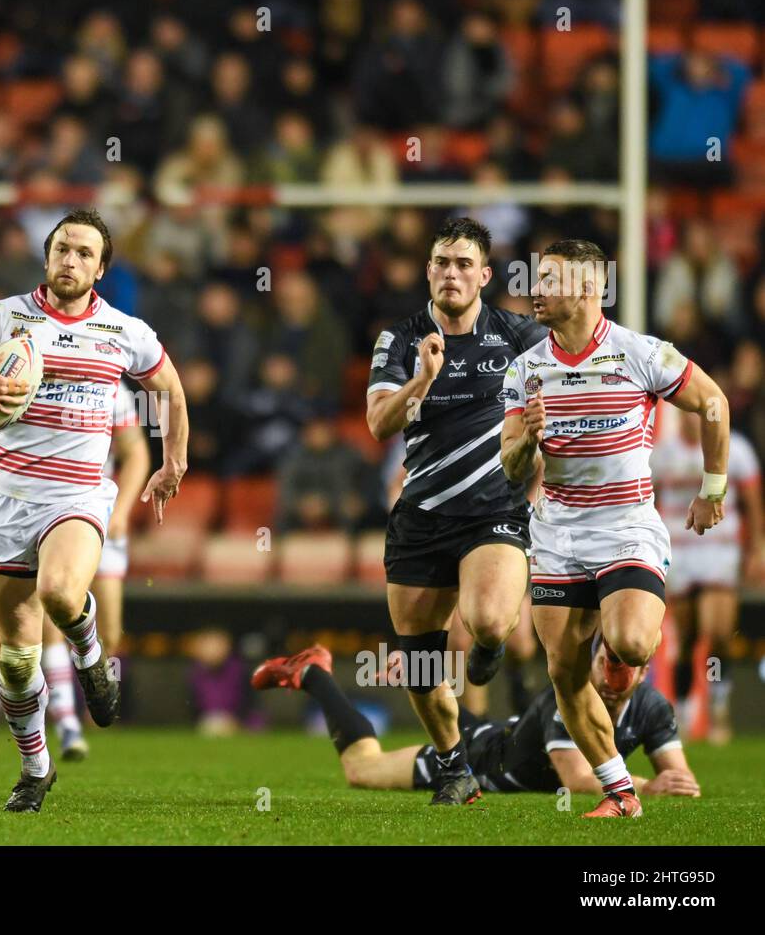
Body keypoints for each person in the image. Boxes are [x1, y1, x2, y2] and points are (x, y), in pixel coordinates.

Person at [0, 208, 188, 812]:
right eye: (62, 249)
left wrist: (172, 460)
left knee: (58, 592)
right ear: (46, 258)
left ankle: (89, 653)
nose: (70, 260)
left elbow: (171, 391)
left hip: (77, 494)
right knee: (18, 659)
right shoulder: (3, 318)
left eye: (84, 252)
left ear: (101, 267)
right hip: (5, 499)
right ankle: (36, 767)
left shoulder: (124, 330)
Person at [501, 239, 732, 818]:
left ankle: (625, 613)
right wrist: (527, 436)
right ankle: (619, 793)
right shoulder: (525, 369)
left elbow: (713, 404)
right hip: (556, 531)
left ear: (586, 287)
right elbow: (511, 468)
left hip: (626, 523)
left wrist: (713, 488)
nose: (535, 287)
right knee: (565, 672)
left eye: (548, 278)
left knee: (629, 641)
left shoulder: (640, 353)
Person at [365, 216, 547, 805]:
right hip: (420, 516)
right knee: (421, 665)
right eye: (442, 262)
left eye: (464, 264)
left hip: (493, 511)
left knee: (490, 620)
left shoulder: (518, 335)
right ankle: (451, 765)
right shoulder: (401, 339)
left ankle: (492, 647)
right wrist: (421, 380)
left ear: (485, 275)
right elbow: (376, 424)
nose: (451, 272)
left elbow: (570, 384)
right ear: (428, 271)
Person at [252, 644, 700, 800]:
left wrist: (676, 782)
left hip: (502, 737)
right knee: (360, 769)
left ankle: (419, 671)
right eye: (605, 660)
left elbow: (681, 778)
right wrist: (646, 787)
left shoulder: (653, 707)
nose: (612, 673)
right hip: (481, 762)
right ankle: (315, 674)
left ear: (645, 671)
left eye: (625, 665)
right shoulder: (570, 697)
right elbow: (579, 778)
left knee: (470, 721)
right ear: (594, 658)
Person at [40, 380, 151, 759]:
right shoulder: (30, 376)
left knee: (109, 632)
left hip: (99, 509)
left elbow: (136, 452)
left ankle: (85, 705)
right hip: (49, 510)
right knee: (53, 617)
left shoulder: (111, 389)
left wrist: (121, 512)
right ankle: (68, 724)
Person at [650, 409, 765, 743]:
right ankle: (685, 711)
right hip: (680, 551)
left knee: (716, 634)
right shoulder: (663, 455)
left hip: (719, 548)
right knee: (686, 638)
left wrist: (755, 549)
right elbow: (648, 500)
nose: (690, 419)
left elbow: (752, 502)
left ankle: (718, 703)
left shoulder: (735, 449)